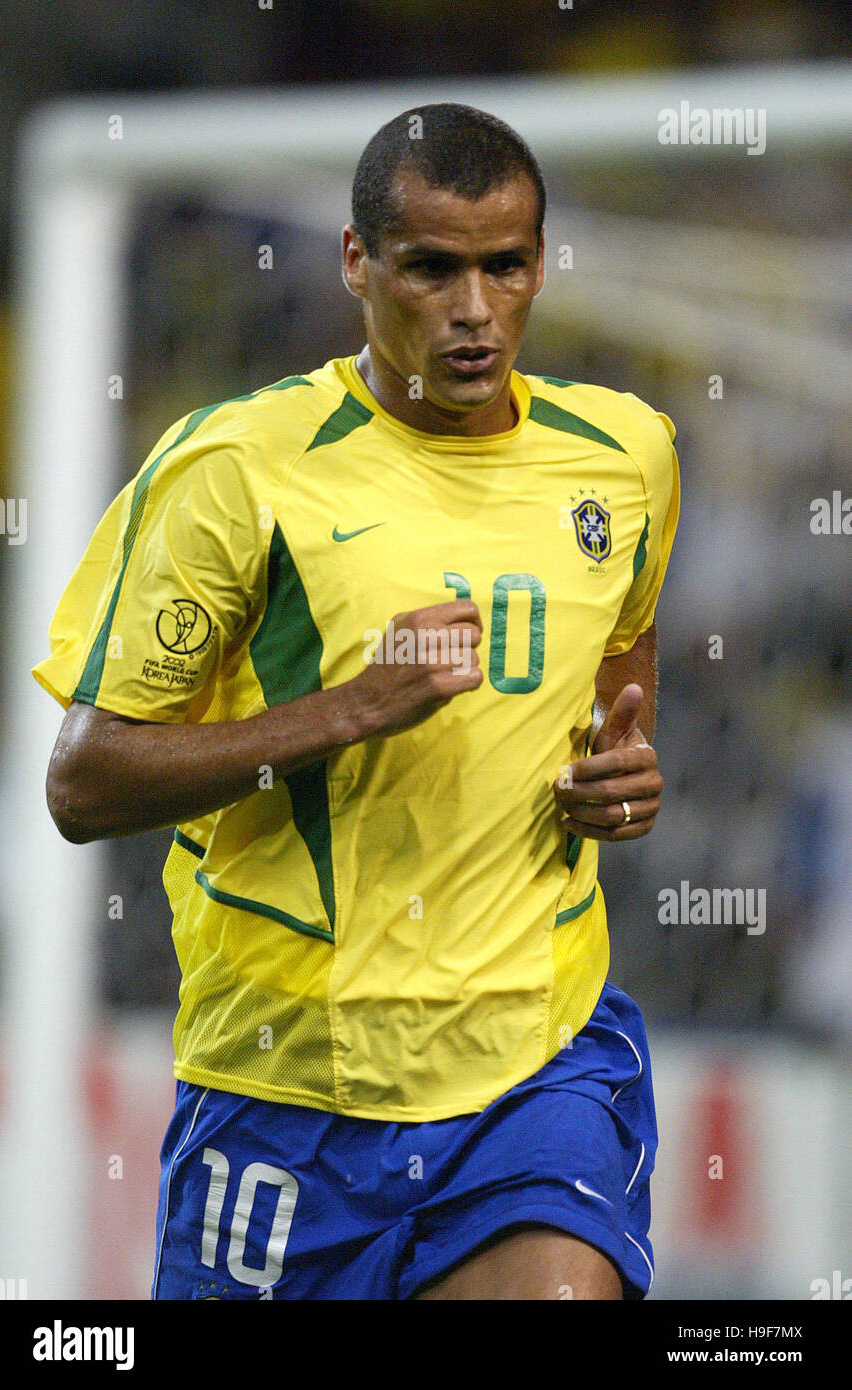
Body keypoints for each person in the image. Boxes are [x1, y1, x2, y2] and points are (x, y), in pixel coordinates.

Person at [35, 103, 679, 1301]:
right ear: (356, 263)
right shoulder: (235, 471)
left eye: (505, 266)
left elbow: (621, 664)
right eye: (432, 268)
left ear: (540, 265)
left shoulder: (623, 455)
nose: (474, 309)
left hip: (528, 1062)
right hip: (284, 1085)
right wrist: (346, 710)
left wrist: (621, 773)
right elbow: (83, 781)